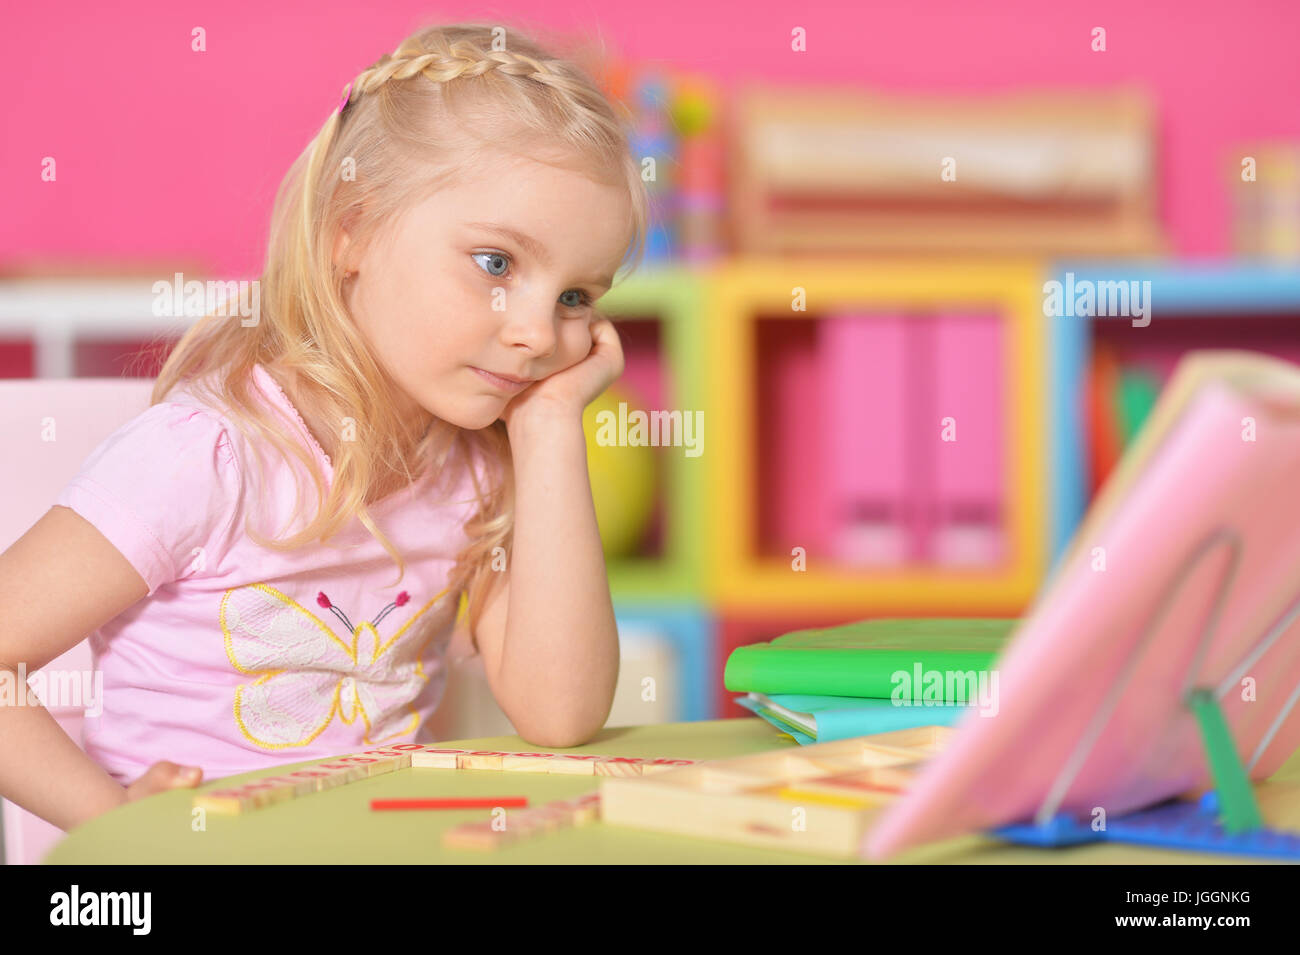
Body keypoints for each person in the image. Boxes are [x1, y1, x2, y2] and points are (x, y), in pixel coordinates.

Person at [0, 20, 649, 831]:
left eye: (575, 298)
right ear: (353, 231)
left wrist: (552, 423)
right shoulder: (211, 455)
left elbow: (560, 712)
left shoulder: (475, 472)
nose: (537, 333)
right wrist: (112, 817)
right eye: (496, 264)